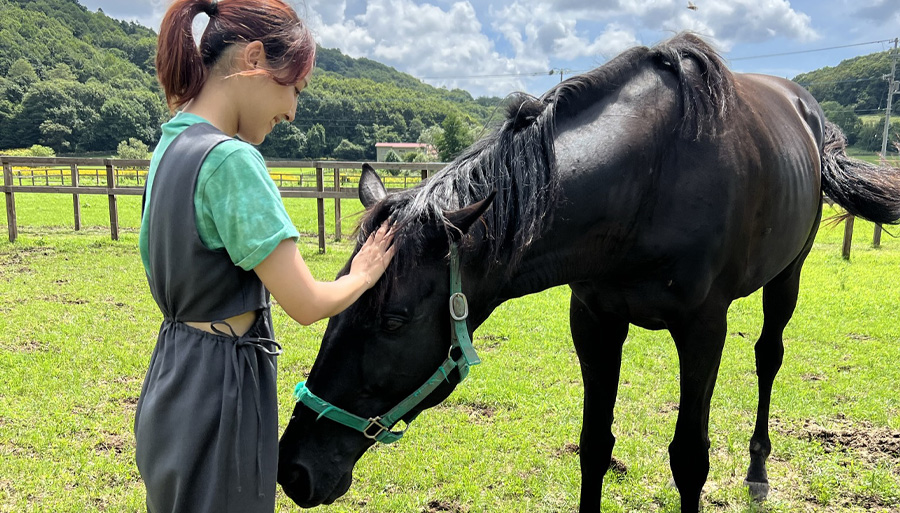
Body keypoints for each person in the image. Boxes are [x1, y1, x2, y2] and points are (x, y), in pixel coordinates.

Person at [133, 1, 395, 512]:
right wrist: (363, 274)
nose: (293, 111)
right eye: (293, 89)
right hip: (221, 385)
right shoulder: (231, 160)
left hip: (172, 370)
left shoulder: (171, 144)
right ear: (253, 58)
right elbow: (307, 302)